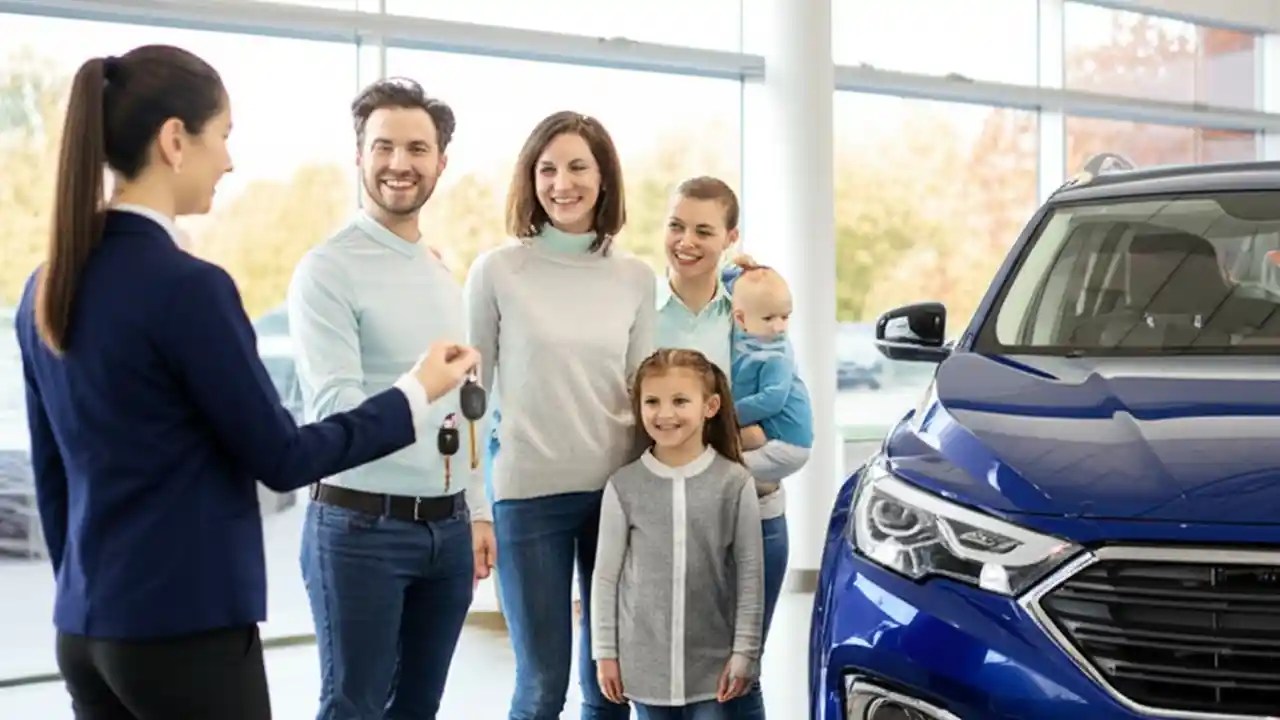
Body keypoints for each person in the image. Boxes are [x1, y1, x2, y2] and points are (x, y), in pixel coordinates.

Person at [15, 46, 480, 720]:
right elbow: (283, 457)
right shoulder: (190, 288)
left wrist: (87, 595)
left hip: (86, 627)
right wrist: (415, 391)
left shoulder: (46, 284)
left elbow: (52, 474)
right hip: (184, 626)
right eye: (223, 136)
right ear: (175, 141)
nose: (229, 161)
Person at [287, 77, 495, 720]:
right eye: (383, 146)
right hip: (360, 531)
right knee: (353, 708)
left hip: (447, 531)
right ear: (359, 156)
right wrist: (421, 385)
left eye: (416, 148)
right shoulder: (327, 269)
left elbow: (465, 405)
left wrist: (477, 509)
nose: (399, 163)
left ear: (441, 162)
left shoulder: (437, 269)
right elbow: (335, 411)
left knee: (417, 710)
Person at [464, 110, 655, 720]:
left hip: (618, 498)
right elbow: (470, 398)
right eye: (547, 169)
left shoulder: (635, 277)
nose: (561, 183)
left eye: (577, 167)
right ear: (530, 177)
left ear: (603, 179)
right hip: (527, 498)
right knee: (541, 685)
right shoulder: (498, 271)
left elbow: (645, 395)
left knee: (611, 687)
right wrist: (475, 505)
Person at [654, 177, 787, 720]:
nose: (686, 241)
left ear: (731, 237)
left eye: (704, 231)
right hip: (665, 521)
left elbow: (781, 418)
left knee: (740, 678)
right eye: (676, 225)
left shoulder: (749, 312)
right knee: (671, 680)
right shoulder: (639, 311)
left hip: (753, 513)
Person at [591, 348, 764, 720]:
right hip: (644, 666)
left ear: (710, 406)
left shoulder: (735, 484)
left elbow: (750, 575)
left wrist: (745, 653)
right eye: (652, 401)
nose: (664, 414)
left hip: (715, 668)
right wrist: (605, 654)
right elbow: (606, 577)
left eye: (680, 401)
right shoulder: (624, 486)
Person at [725, 266, 813, 484]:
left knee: (722, 472)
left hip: (788, 443)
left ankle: (765, 496)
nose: (779, 327)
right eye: (769, 318)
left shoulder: (777, 353)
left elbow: (772, 400)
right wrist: (740, 270)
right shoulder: (745, 333)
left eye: (785, 317)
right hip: (767, 436)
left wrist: (725, 417)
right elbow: (729, 287)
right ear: (741, 319)